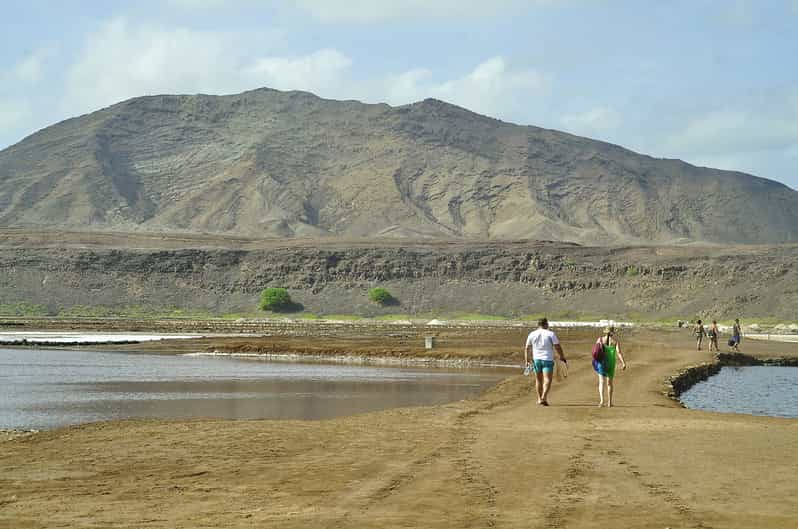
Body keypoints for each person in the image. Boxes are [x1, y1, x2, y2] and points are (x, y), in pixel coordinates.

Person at [524, 317, 567, 406]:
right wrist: (562, 356)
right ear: (545, 324)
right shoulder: (550, 334)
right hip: (547, 360)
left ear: (538, 325)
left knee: (538, 380)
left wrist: (527, 360)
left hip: (536, 360)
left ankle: (539, 399)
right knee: (547, 379)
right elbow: (557, 346)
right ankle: (544, 397)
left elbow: (527, 348)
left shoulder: (532, 334)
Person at [593, 326, 627, 407]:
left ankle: (602, 401)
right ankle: (609, 402)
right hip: (611, 364)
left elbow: (596, 351)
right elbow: (619, 353)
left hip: (601, 363)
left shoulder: (600, 339)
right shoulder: (615, 342)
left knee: (601, 382)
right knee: (609, 383)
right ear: (612, 333)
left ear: (605, 332)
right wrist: (623, 363)